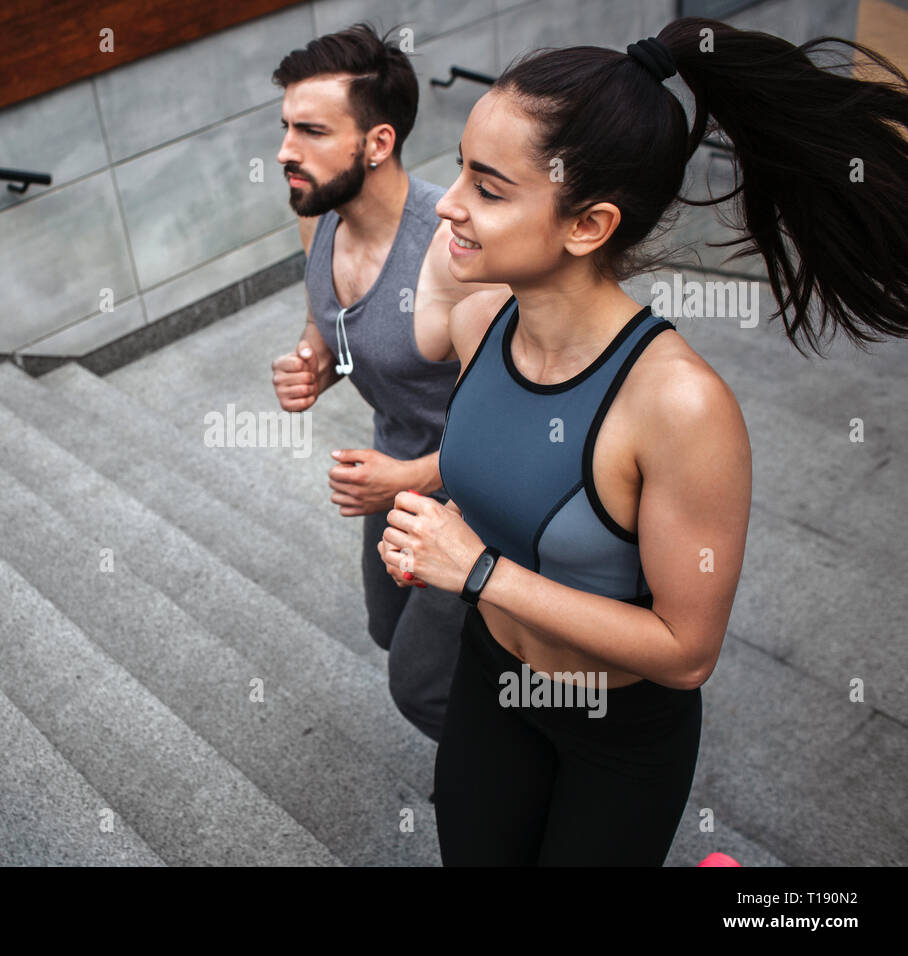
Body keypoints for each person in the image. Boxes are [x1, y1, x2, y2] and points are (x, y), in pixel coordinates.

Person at [377, 19, 908, 864]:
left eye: (488, 186)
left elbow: (686, 652)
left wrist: (476, 569)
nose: (447, 203)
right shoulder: (482, 325)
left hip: (616, 730)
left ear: (587, 226)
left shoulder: (681, 407)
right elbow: (472, 398)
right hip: (490, 677)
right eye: (459, 171)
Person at [269, 23, 508, 743]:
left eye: (310, 130)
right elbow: (337, 322)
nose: (285, 151)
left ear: (376, 144)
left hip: (476, 498)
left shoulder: (456, 255)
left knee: (420, 686)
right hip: (394, 474)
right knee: (387, 630)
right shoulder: (319, 216)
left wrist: (409, 476)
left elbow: (511, 431)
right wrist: (314, 363)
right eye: (285, 128)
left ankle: (514, 772)